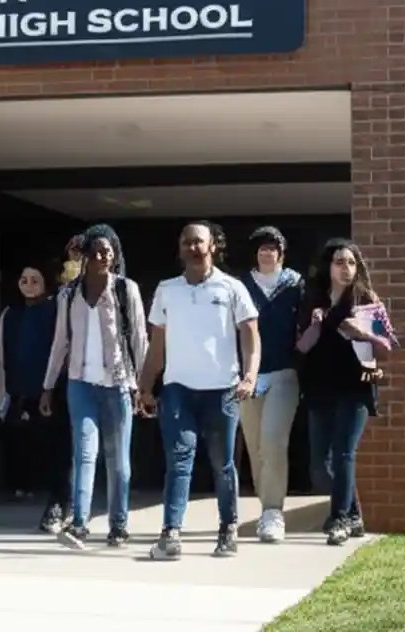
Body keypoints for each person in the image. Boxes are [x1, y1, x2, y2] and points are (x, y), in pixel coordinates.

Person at [139, 221, 260, 560]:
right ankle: (171, 534)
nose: (193, 248)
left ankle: (228, 529)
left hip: (222, 389)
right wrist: (145, 385)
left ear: (213, 247)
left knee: (223, 463)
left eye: (199, 242)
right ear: (180, 248)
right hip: (177, 388)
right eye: (186, 242)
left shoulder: (232, 287)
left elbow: (250, 335)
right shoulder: (167, 290)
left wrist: (249, 376)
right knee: (179, 460)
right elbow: (156, 345)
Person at [43, 224, 147, 550]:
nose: (102, 256)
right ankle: (80, 524)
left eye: (108, 251)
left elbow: (139, 339)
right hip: (80, 384)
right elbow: (60, 342)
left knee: (118, 460)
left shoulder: (125, 290)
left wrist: (143, 387)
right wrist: (48, 386)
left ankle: (119, 525)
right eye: (96, 251)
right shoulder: (69, 293)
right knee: (84, 453)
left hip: (117, 384)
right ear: (85, 255)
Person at [296, 238, 395, 546]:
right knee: (320, 464)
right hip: (319, 387)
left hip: (356, 387)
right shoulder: (313, 300)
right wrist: (315, 326)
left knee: (343, 454)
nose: (346, 268)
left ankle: (338, 518)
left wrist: (362, 332)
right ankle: (353, 514)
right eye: (339, 262)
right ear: (329, 267)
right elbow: (300, 347)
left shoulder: (367, 300)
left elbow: (389, 347)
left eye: (351, 262)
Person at [237, 226, 304, 543]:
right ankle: (266, 507)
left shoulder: (296, 284)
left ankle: (274, 511)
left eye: (273, 247)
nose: (267, 252)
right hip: (247, 377)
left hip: (284, 374)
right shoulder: (240, 286)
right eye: (262, 247)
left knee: (274, 440)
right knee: (256, 447)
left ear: (282, 251)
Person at [0, 263, 71, 532]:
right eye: (24, 279)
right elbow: (3, 354)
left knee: (57, 449)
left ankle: (60, 503)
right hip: (20, 390)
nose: (29, 284)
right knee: (31, 445)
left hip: (53, 390)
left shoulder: (56, 309)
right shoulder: (10, 314)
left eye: (35, 279)